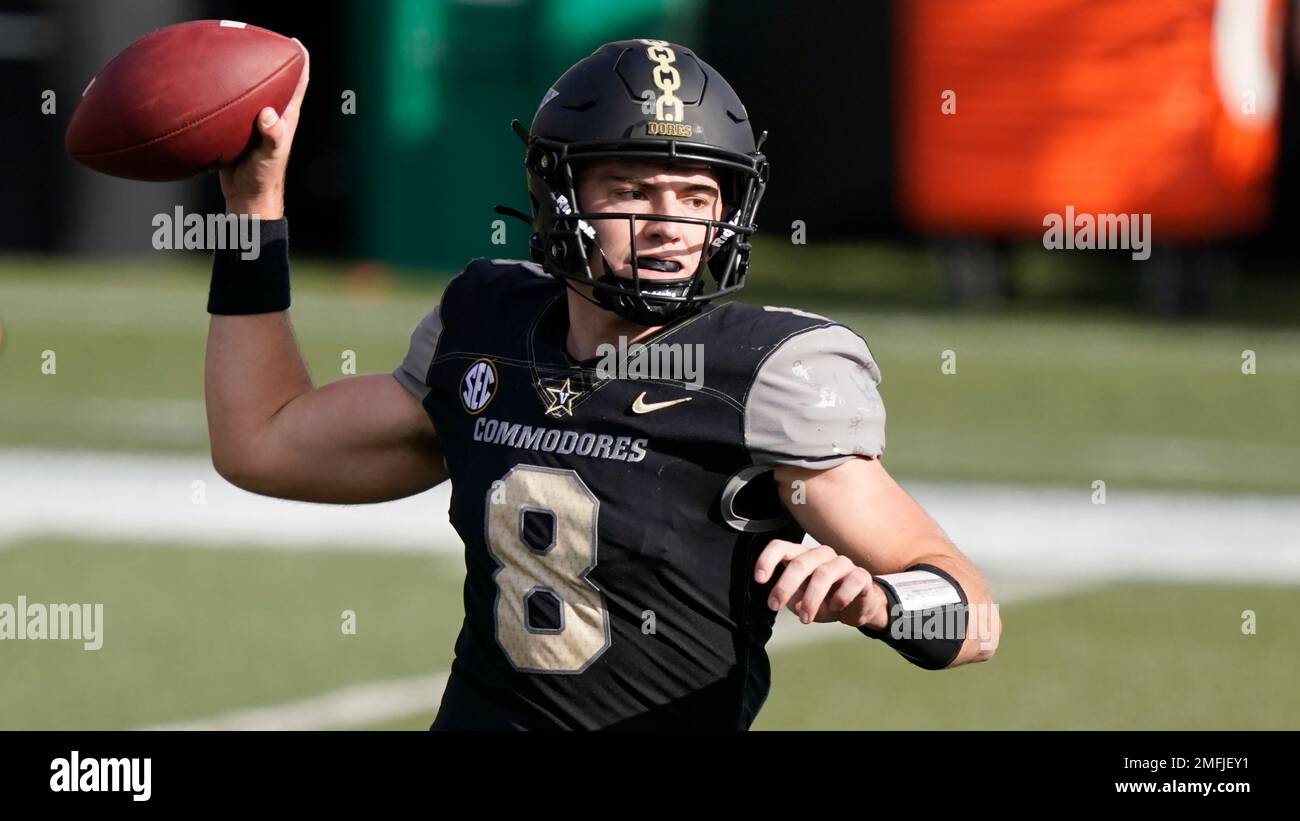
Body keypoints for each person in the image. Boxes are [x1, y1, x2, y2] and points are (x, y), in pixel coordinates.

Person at [207, 39, 1001, 730]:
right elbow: (262, 443)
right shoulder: (487, 327)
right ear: (561, 195)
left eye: (697, 196)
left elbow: (972, 616)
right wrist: (252, 205)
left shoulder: (764, 373)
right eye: (633, 191)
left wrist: (886, 601)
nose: (670, 224)